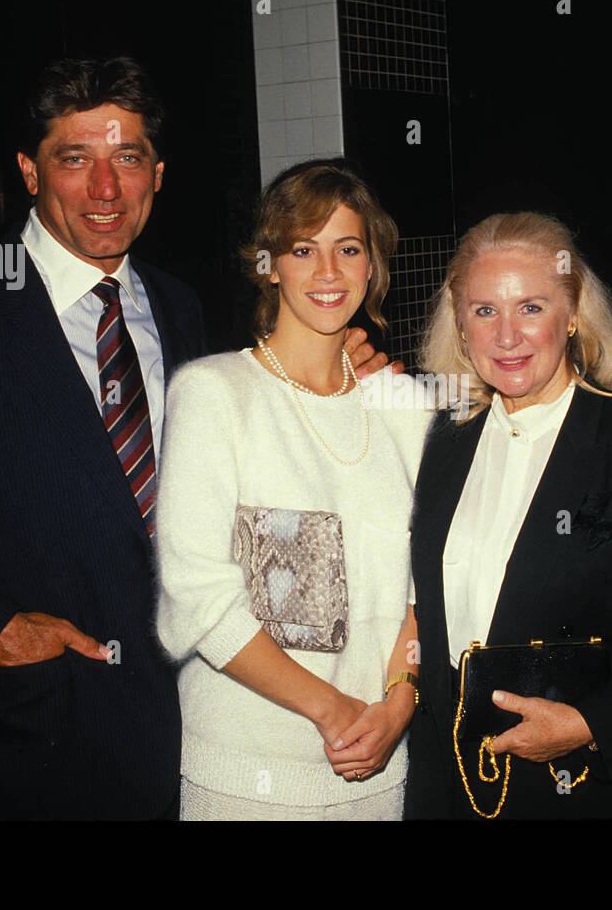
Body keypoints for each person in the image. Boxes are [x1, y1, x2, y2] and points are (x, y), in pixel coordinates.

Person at [0, 58, 391, 820]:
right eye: (75, 159)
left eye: (127, 159)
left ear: (159, 173)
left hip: (198, 727)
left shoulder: (182, 307)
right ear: (29, 173)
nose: (105, 190)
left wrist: (335, 367)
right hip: (35, 738)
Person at [402, 212, 612, 819]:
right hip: (450, 785)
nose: (507, 336)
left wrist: (586, 723)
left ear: (572, 315)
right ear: (460, 325)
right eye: (485, 310)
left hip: (586, 791)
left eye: (532, 307)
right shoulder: (441, 439)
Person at [154, 160, 428, 820]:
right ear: (268, 264)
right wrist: (333, 710)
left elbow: (422, 587)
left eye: (348, 248)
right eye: (303, 249)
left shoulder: (407, 406)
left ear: (372, 265)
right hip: (245, 778)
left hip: (379, 773)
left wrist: (401, 700)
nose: (328, 272)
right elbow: (197, 599)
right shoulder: (214, 394)